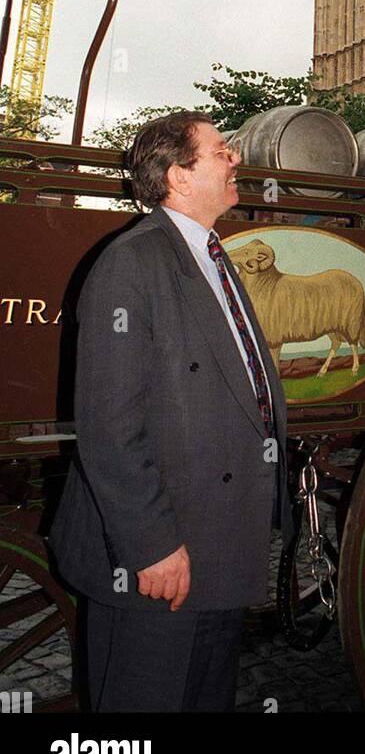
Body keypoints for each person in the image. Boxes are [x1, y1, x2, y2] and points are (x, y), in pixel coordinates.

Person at [49, 111, 292, 712]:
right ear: (179, 177)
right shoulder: (132, 264)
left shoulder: (213, 254)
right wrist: (151, 543)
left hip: (216, 543)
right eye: (219, 152)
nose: (235, 158)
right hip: (160, 558)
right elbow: (109, 426)